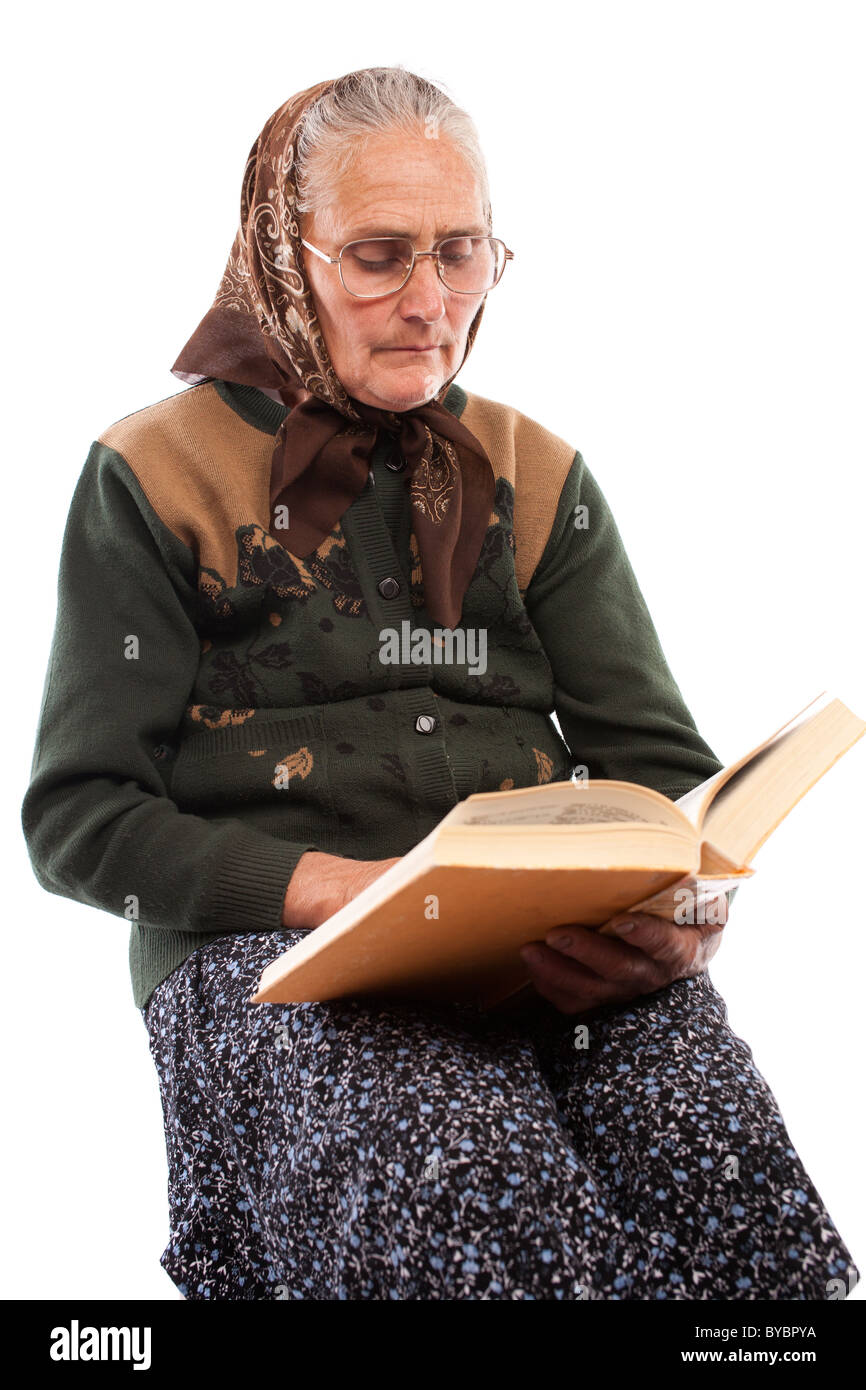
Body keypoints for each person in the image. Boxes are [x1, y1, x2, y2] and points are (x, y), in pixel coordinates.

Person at [21, 66, 858, 1302]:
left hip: (537, 954)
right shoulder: (152, 475)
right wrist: (351, 897)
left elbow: (663, 771)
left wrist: (679, 922)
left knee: (718, 1171)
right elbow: (80, 818)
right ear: (278, 253)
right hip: (275, 963)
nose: (432, 303)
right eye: (378, 255)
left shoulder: (534, 469)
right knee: (471, 1169)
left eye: (460, 252)